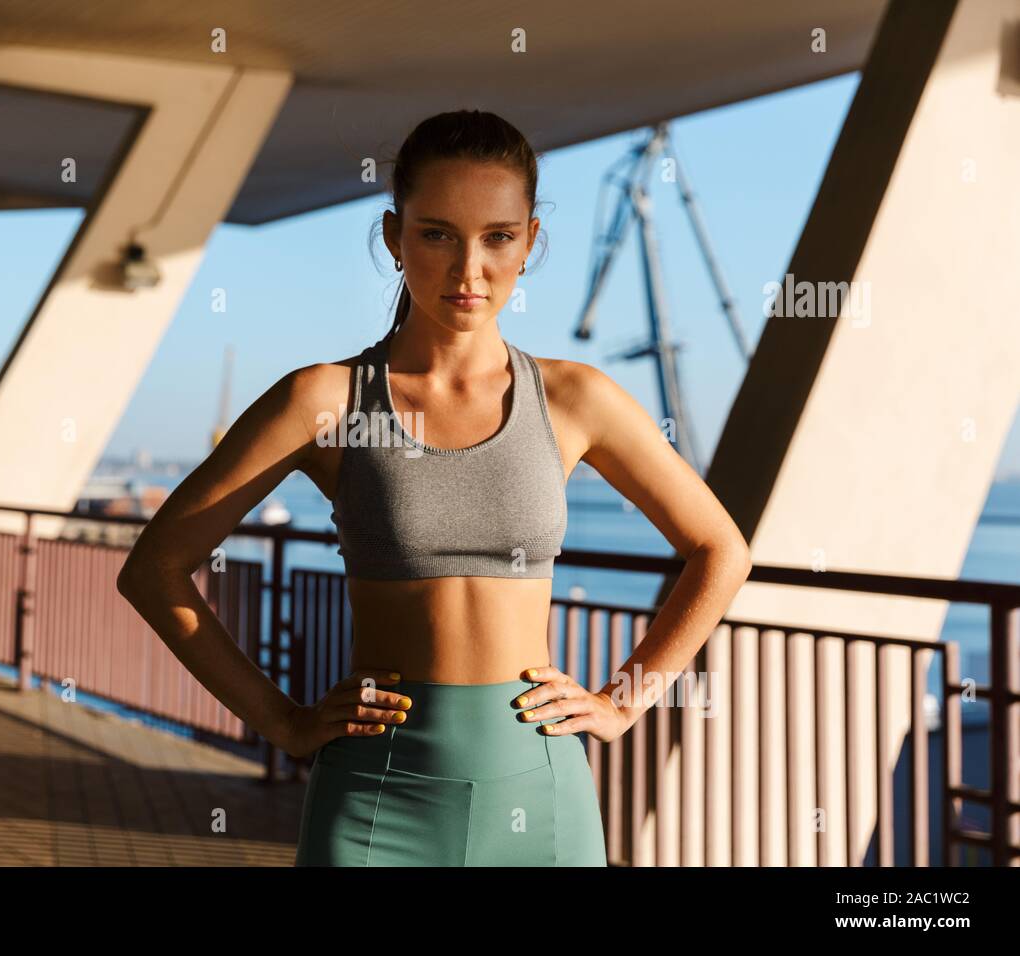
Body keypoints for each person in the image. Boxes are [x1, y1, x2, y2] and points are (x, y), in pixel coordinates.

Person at [116, 109, 752, 866]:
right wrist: (282, 722)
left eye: (498, 237)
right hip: (376, 800)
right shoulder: (326, 402)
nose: (468, 270)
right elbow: (153, 569)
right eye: (437, 234)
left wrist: (623, 700)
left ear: (530, 243)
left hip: (541, 797)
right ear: (394, 237)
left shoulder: (579, 399)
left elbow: (720, 549)